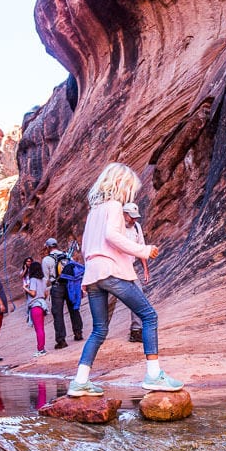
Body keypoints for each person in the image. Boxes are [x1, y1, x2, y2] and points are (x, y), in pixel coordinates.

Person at [67, 163, 183, 396]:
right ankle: (153, 376)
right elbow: (112, 236)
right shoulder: (113, 206)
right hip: (111, 271)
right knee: (149, 316)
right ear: (120, 183)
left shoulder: (94, 211)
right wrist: (143, 250)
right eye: (129, 187)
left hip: (93, 274)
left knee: (99, 330)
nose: (130, 193)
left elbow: (88, 245)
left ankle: (80, 381)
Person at [107, 202, 150, 342]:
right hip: (114, 268)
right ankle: (101, 330)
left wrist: (145, 269)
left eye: (135, 217)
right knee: (109, 301)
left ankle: (136, 330)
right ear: (124, 214)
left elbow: (141, 247)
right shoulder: (115, 228)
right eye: (131, 217)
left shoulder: (137, 227)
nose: (134, 220)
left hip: (129, 268)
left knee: (139, 296)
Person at [42, 238, 84, 349]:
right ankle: (78, 332)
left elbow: (46, 278)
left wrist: (44, 291)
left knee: (58, 313)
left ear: (48, 247)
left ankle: (61, 340)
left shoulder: (47, 260)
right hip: (70, 285)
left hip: (57, 286)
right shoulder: (66, 256)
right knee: (73, 309)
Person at [23, 261, 49, 357]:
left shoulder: (33, 280)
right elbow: (46, 294)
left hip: (35, 305)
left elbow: (33, 293)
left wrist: (25, 288)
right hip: (42, 305)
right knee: (41, 328)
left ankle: (41, 350)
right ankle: (42, 348)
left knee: (38, 329)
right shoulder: (43, 280)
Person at [20, 256, 34, 327]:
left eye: (30, 261)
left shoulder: (33, 268)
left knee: (32, 301)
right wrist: (25, 269)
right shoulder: (23, 269)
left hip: (33, 286)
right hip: (27, 287)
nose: (29, 263)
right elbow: (21, 276)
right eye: (27, 261)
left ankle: (31, 317)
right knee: (29, 301)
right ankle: (30, 317)